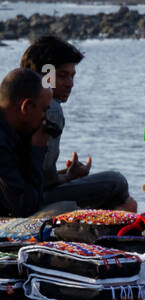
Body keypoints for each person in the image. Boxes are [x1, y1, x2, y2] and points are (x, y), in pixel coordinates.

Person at [20, 36, 135, 211]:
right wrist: (66, 178)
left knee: (124, 201)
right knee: (116, 182)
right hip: (31, 200)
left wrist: (67, 175)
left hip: (20, 195)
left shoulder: (15, 98)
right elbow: (40, 178)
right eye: (63, 76)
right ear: (45, 76)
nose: (70, 84)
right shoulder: (51, 108)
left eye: (72, 76)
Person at [0, 69, 63, 218]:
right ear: (26, 107)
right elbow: (25, 207)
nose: (46, 118)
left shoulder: (11, 131)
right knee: (65, 208)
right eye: (44, 110)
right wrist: (37, 149)